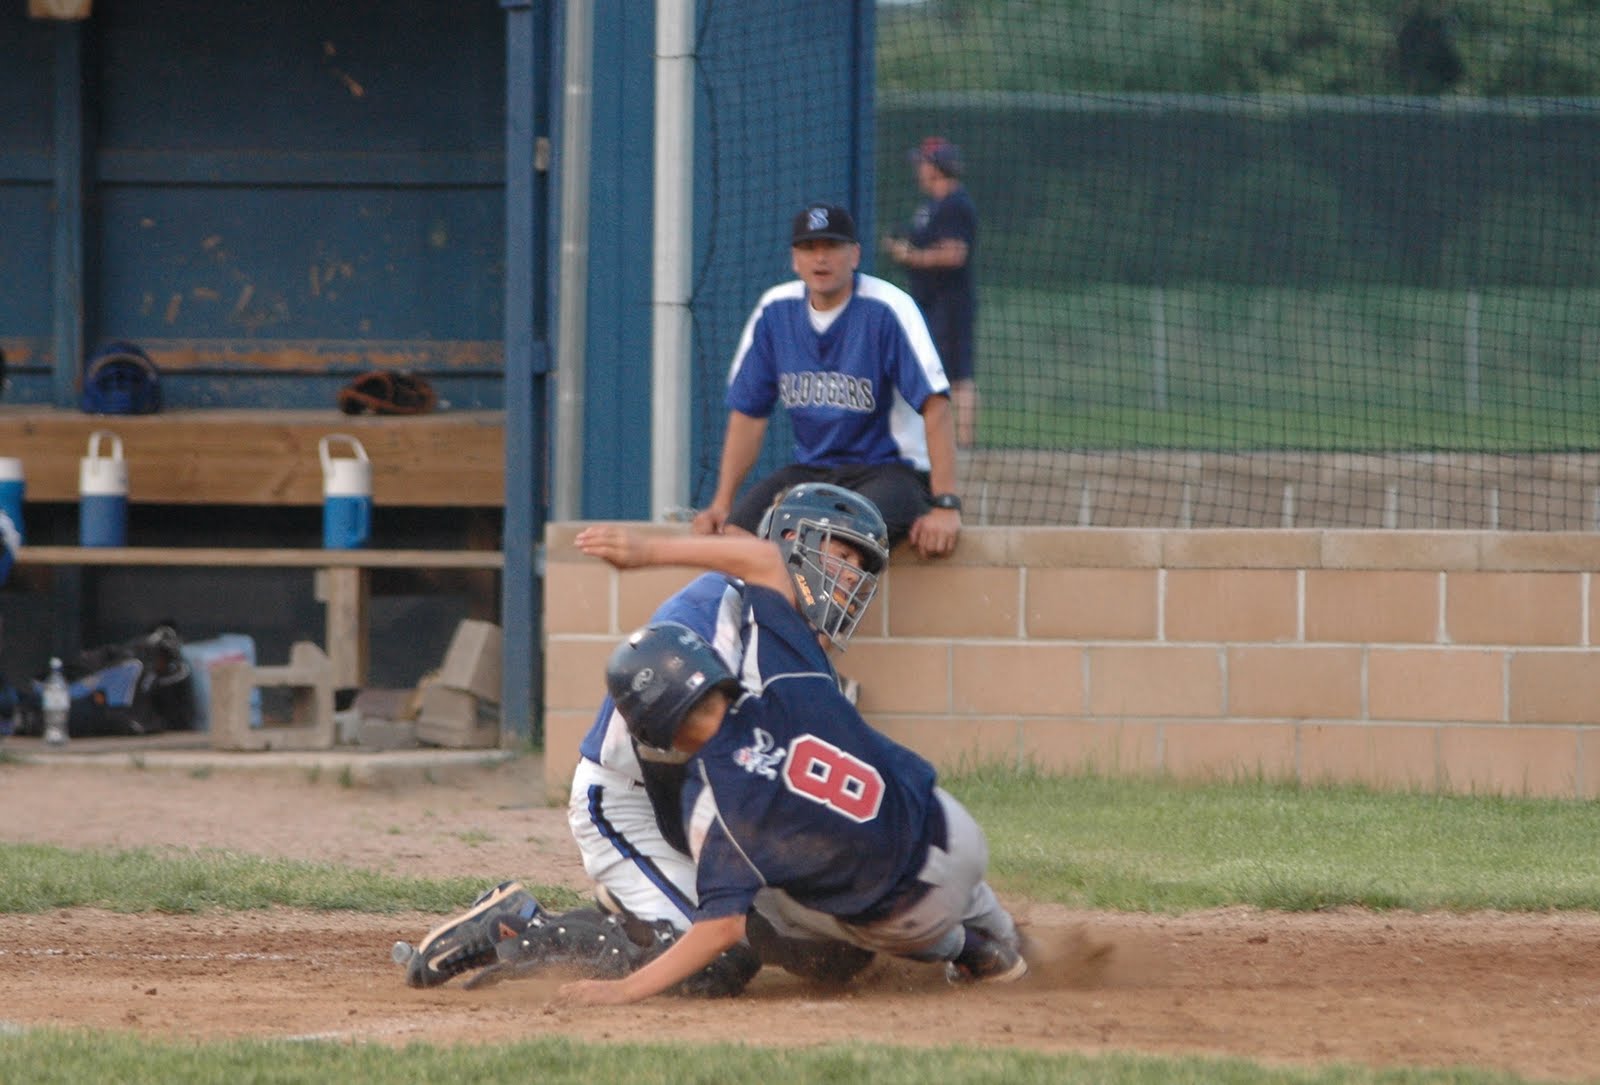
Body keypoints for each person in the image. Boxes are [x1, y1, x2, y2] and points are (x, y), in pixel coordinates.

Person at [397, 483, 891, 995]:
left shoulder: (807, 658)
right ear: (790, 540)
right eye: (842, 554)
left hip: (704, 810)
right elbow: (664, 746)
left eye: (861, 564)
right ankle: (523, 924)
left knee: (835, 954)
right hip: (633, 799)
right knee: (710, 963)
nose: (850, 576)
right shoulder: (716, 605)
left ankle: (638, 912)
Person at [558, 556, 1025, 1007]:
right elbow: (762, 561)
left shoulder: (714, 805)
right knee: (848, 928)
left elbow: (721, 930)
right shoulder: (790, 681)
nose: (845, 572)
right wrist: (651, 552)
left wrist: (620, 992)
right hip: (955, 831)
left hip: (912, 917)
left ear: (654, 730)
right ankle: (1006, 937)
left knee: (789, 940)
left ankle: (966, 949)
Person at [691, 203, 964, 560]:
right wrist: (722, 502)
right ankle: (757, 618)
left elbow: (936, 404)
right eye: (808, 248)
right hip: (813, 470)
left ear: (855, 255)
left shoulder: (888, 309)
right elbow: (748, 415)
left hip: (892, 473)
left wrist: (945, 504)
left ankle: (803, 616)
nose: (821, 258)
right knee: (735, 539)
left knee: (834, 546)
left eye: (832, 246)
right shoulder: (775, 311)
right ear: (794, 259)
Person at [882, 136, 979, 449]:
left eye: (923, 164)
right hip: (929, 300)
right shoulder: (931, 206)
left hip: (950, 302)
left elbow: (954, 254)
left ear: (937, 167)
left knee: (956, 372)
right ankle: (934, 437)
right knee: (930, 367)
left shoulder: (955, 204)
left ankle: (963, 444)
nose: (919, 170)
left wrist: (911, 256)